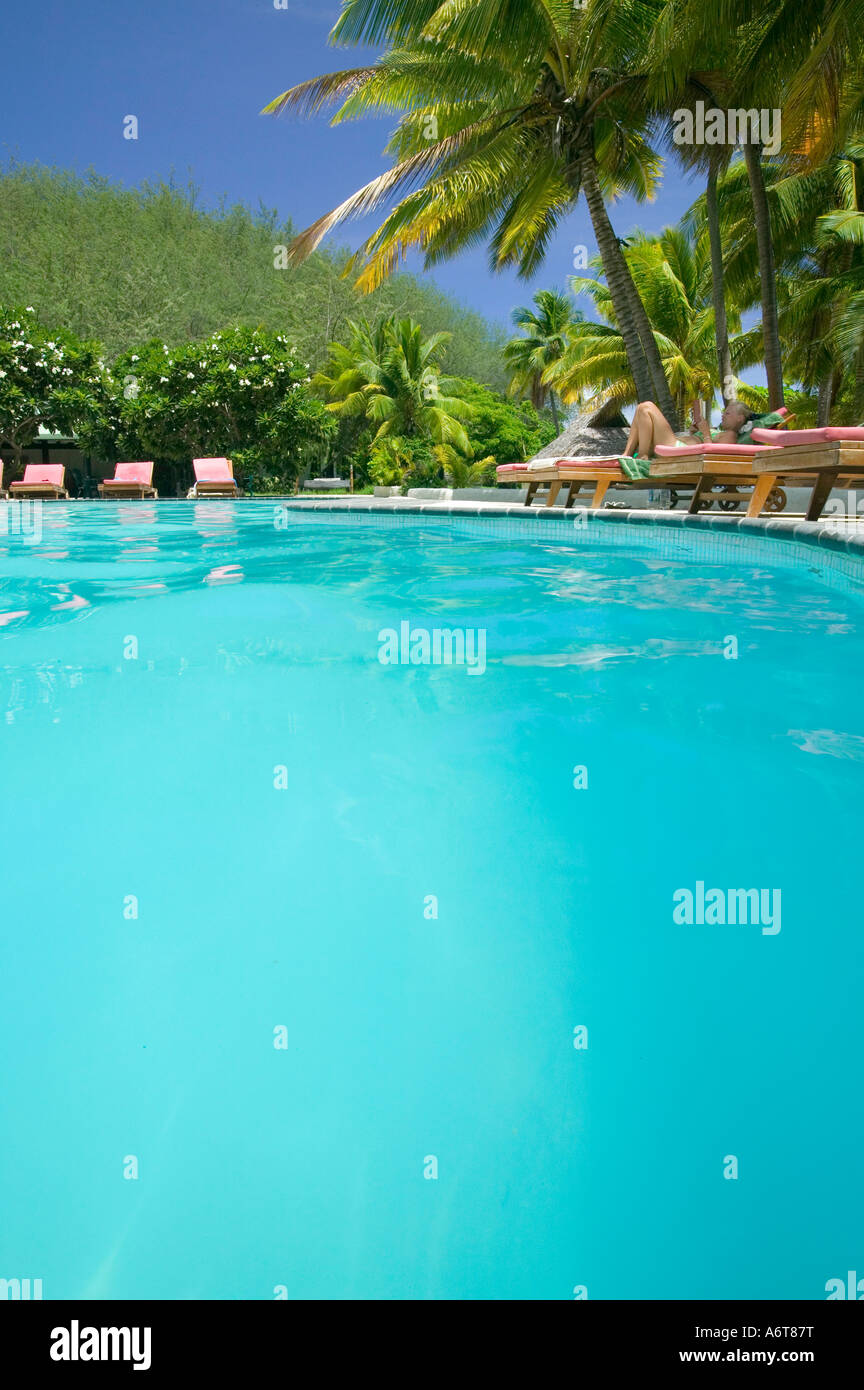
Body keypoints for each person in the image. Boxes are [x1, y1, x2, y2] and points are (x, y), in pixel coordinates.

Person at [623, 398, 759, 459]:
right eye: (723, 412)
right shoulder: (720, 432)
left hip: (676, 448)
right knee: (640, 410)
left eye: (728, 413)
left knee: (646, 407)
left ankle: (642, 455)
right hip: (670, 445)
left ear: (740, 418)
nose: (723, 415)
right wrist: (694, 432)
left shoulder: (730, 435)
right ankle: (627, 454)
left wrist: (705, 433)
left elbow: (713, 457)